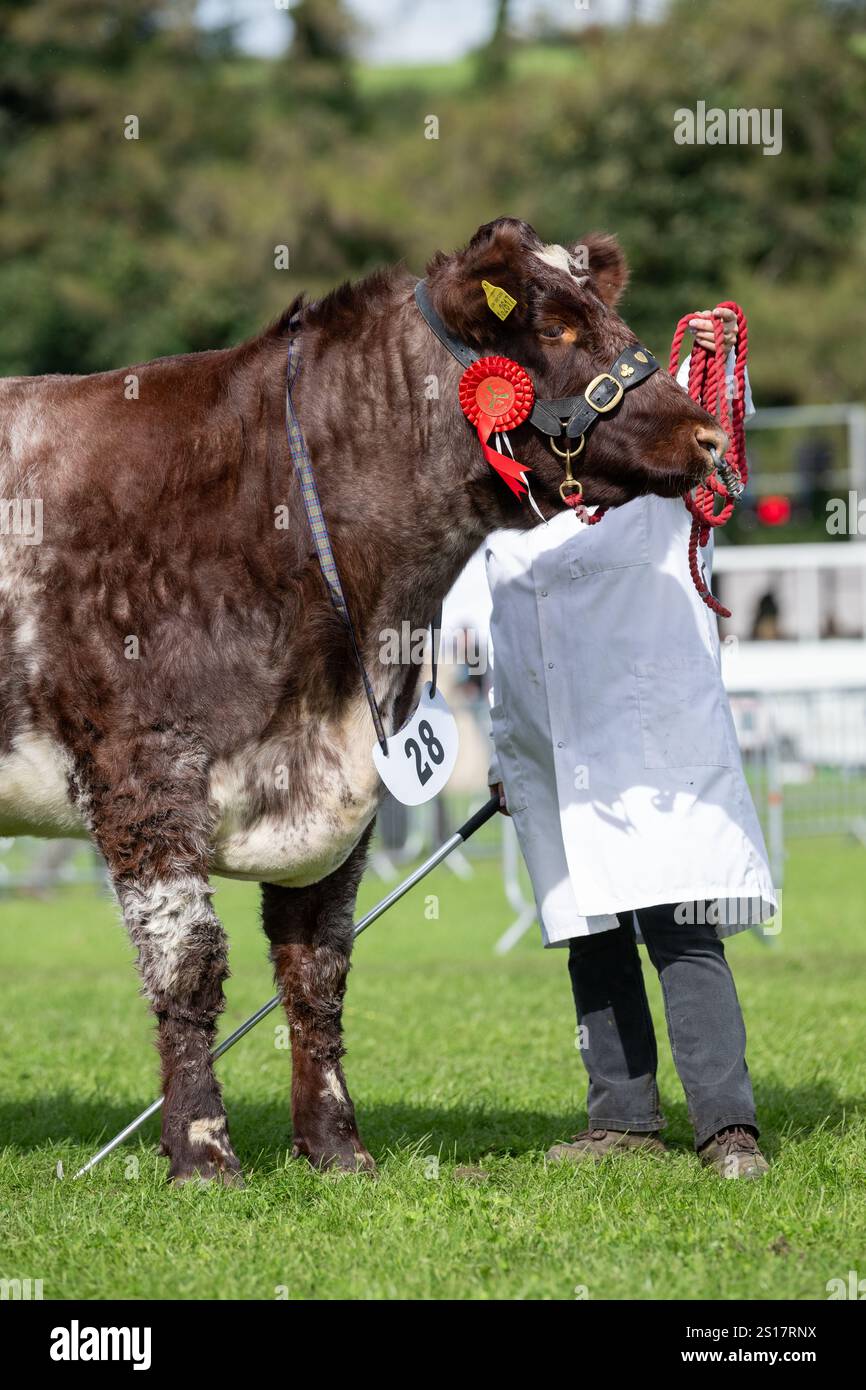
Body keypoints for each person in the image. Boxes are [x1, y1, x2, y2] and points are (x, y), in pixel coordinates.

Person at [487, 307, 776, 1179]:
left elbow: (715, 428)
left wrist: (716, 362)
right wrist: (512, 756)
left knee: (684, 926)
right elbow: (507, 642)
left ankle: (729, 1130)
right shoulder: (508, 505)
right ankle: (622, 1123)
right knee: (594, 934)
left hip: (656, 752)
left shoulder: (656, 471)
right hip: (560, 756)